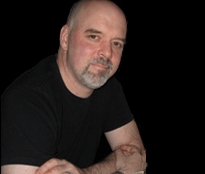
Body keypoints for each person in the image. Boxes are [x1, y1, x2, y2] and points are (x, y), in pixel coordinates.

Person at [1, 0, 147, 173]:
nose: (108, 53)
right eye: (94, 37)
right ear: (65, 38)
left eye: (116, 43)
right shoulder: (28, 100)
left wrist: (91, 171)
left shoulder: (107, 86)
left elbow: (138, 160)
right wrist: (117, 163)